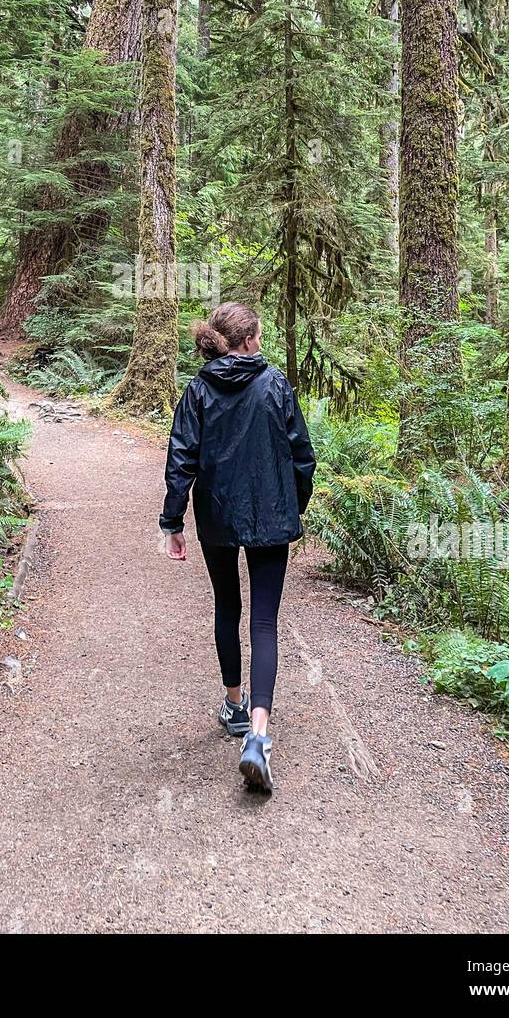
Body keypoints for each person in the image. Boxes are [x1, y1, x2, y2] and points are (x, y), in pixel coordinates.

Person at [159, 302, 316, 793]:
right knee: (265, 620)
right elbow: (302, 457)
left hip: (217, 516)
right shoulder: (276, 386)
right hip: (271, 516)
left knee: (227, 605)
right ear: (247, 340)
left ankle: (234, 705)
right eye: (260, 335)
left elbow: (181, 455)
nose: (262, 341)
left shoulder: (199, 390)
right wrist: (293, 506)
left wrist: (173, 521)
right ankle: (259, 735)